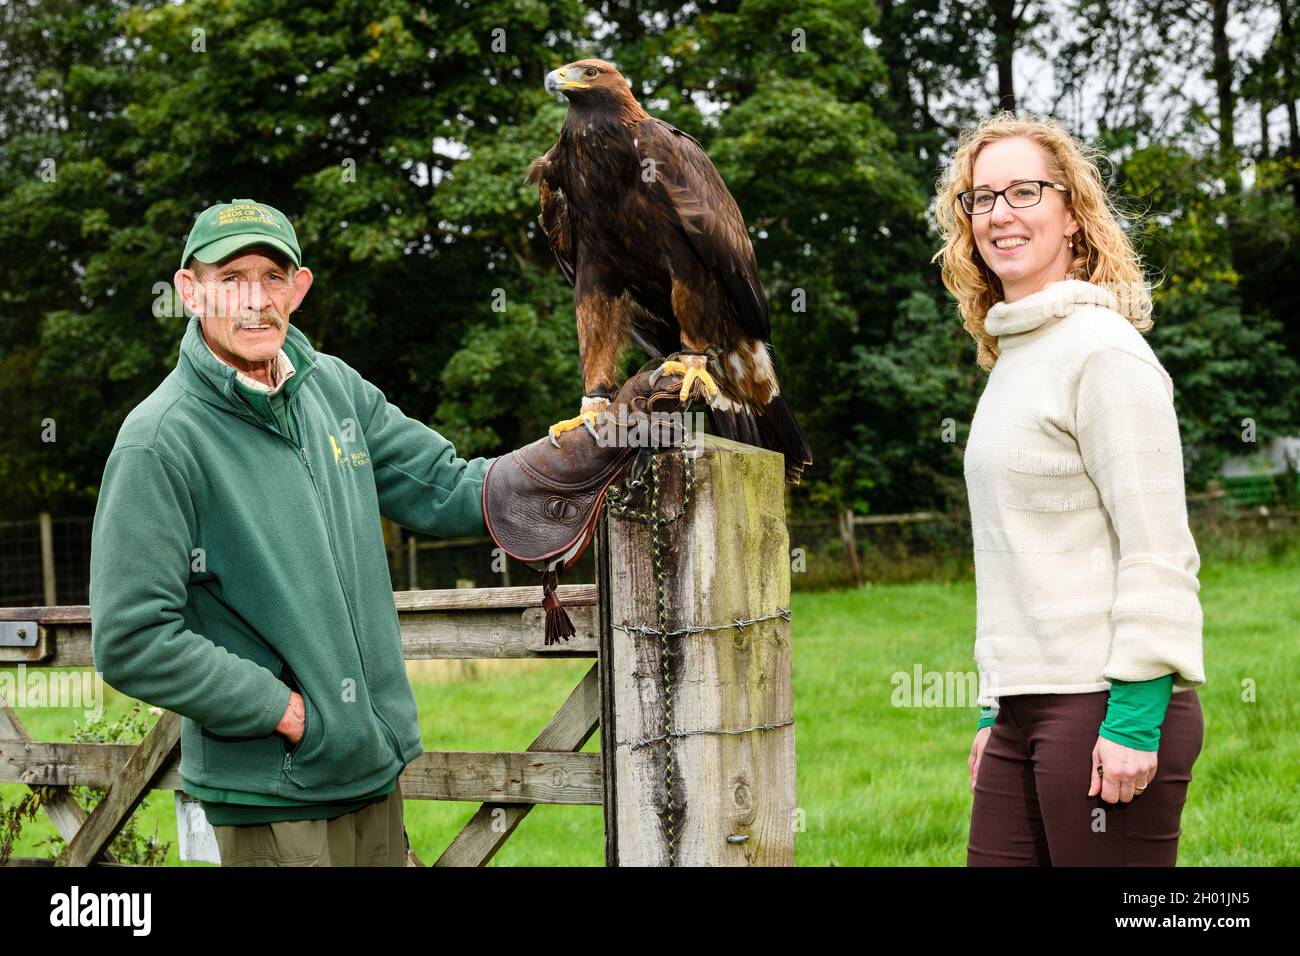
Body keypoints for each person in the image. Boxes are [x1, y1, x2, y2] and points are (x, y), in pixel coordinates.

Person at [89, 199, 494, 865]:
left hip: (371, 777)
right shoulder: (160, 441)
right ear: (189, 291)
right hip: (273, 797)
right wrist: (287, 713)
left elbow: (447, 486)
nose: (255, 300)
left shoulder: (332, 389)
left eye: (273, 277)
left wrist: (585, 453)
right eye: (232, 279)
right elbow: (133, 638)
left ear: (298, 289)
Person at [932, 114, 1206, 865]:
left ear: (1073, 215)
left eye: (1024, 191)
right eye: (980, 198)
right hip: (1025, 711)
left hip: (1106, 706)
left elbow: (1158, 549)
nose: (999, 214)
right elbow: (1023, 557)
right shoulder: (1015, 354)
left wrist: (1135, 719)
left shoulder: (1105, 352)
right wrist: (999, 705)